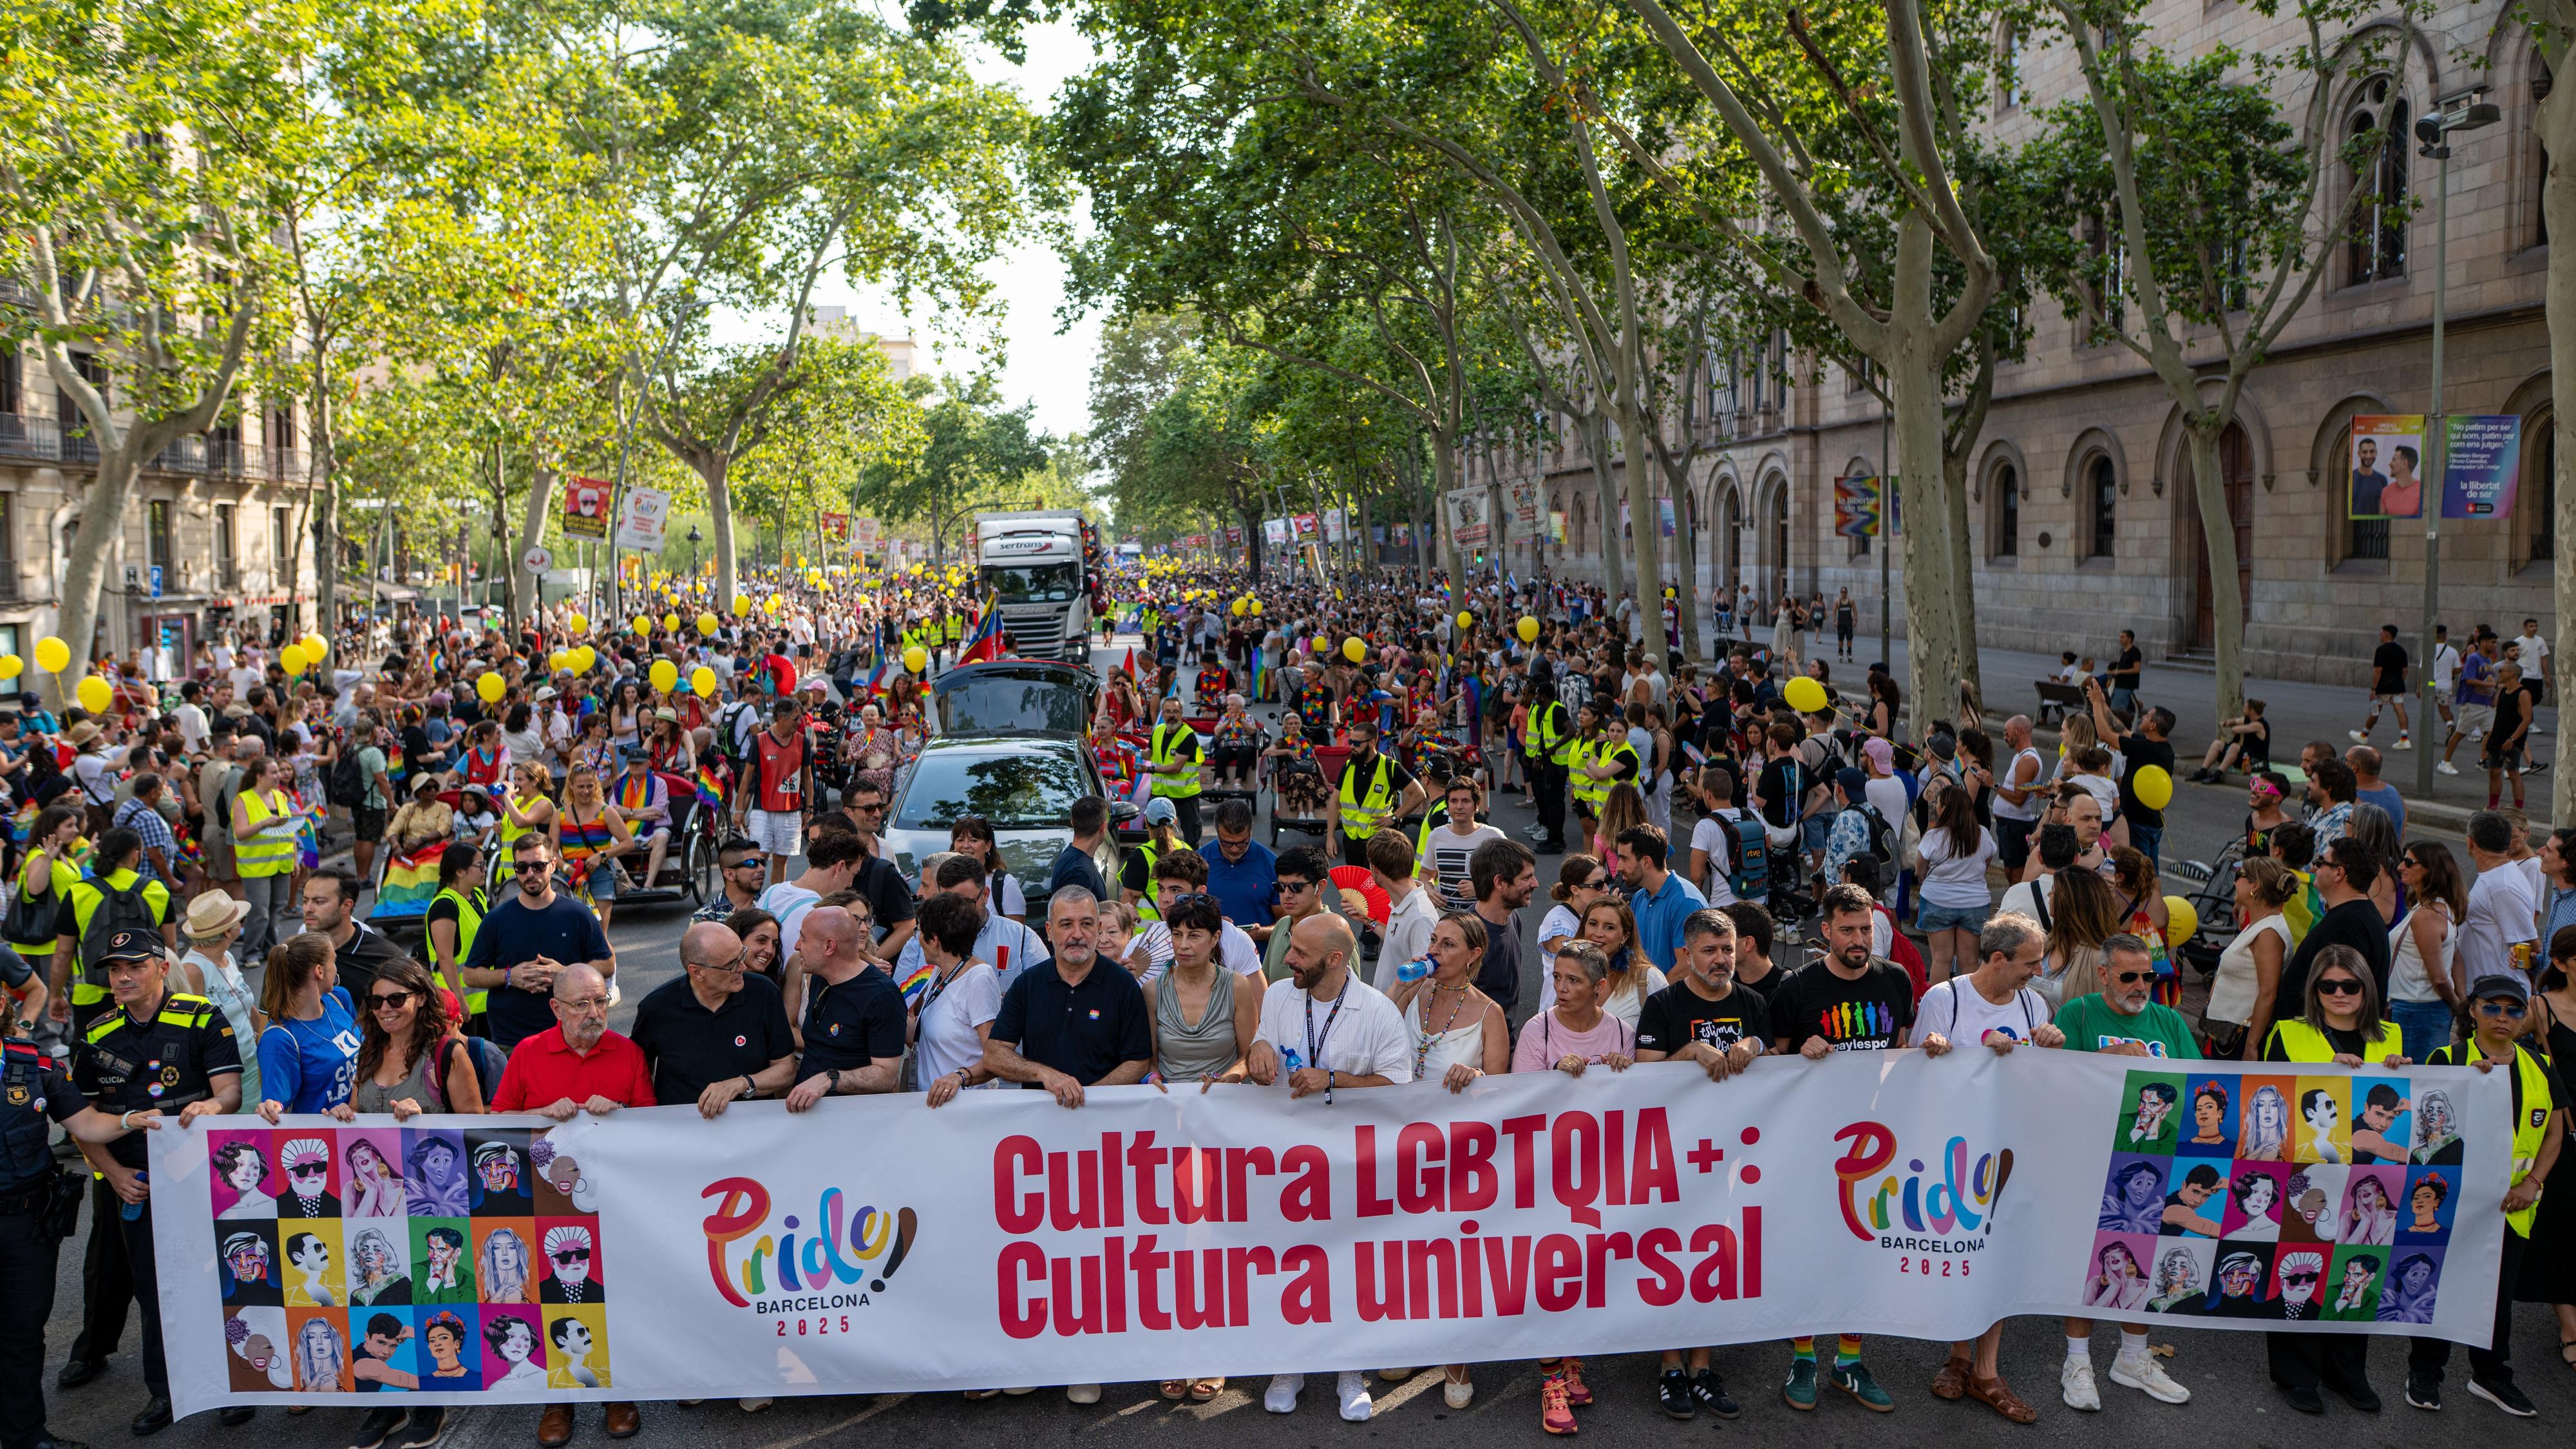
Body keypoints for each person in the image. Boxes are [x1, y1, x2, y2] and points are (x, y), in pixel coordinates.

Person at [972, 888, 1148, 1406]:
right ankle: (1037, 1358)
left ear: (1100, 929)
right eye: (1067, 924)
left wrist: (1089, 1099)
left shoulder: (1121, 987)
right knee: (1040, 1255)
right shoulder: (1029, 984)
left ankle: (1086, 1365)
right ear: (1047, 930)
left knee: (1093, 1258)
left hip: (1102, 1144)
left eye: (1088, 924)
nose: (1077, 933)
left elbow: (1138, 1060)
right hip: (1037, 1145)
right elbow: (998, 1054)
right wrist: (1046, 1075)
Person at [70, 929, 242, 1434]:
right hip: (134, 1183)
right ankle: (166, 1393)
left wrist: (211, 1105)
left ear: (161, 968)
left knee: (216, 1282)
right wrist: (113, 1172)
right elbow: (81, 1120)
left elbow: (229, 1092)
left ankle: (229, 1387)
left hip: (199, 1177)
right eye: (114, 969)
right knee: (152, 1288)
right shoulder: (97, 1034)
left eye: (134, 966)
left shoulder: (200, 1017)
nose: (122, 977)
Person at [1246, 911, 1413, 1422]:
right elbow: (1264, 1040)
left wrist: (1334, 1080)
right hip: (1286, 1160)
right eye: (1289, 948)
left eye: (1299, 952)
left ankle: (1349, 1370)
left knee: (1349, 1267)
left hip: (1351, 1164)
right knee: (1290, 1263)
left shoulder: (1379, 1011)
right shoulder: (1278, 994)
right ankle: (1290, 1365)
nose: (1288, 959)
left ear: (1335, 960)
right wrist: (1256, 1049)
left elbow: (1401, 1089)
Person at [484, 963, 646, 1446]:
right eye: (582, 1005)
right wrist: (537, 1114)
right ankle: (560, 1399)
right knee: (555, 1300)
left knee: (613, 1297)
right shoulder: (529, 1053)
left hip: (614, 1205)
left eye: (601, 1002)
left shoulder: (628, 1052)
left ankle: (617, 1392)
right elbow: (498, 1121)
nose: (594, 1013)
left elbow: (656, 1127)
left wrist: (621, 1115)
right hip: (545, 1205)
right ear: (556, 1008)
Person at [1765, 885, 1911, 1412]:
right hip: (1809, 1147)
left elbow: (1900, 1052)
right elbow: (1768, 1069)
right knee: (1807, 1252)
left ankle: (1848, 1362)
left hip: (1876, 1148)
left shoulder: (1895, 980)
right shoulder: (1795, 988)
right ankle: (1803, 1356)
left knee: (1862, 1252)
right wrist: (1797, 1054)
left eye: (1866, 929)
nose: (1858, 939)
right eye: (1847, 929)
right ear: (1825, 930)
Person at [0, 1012, 171, 1449]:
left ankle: (25, 1436)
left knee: (23, 1333)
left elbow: (87, 1125)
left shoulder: (33, 1063)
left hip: (25, 1223)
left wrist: (130, 1120)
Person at [2407, 972, 2559, 1416]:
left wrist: (2533, 1183)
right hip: (2451, 1201)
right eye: (2492, 1007)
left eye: (2514, 1009)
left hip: (2510, 1207)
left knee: (2497, 1298)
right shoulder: (2447, 1057)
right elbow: (2418, 1122)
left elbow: (2553, 1132)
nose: (2503, 1017)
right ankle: (2425, 1373)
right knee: (2440, 1284)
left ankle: (2491, 1377)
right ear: (2472, 1010)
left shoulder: (2539, 1066)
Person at [1511, 940, 1638, 1433]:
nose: (1560, 989)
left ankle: (1571, 1361)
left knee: (1585, 1275)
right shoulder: (1537, 1030)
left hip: (1598, 1182)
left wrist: (1628, 1077)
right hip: (1545, 1180)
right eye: (1558, 978)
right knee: (1547, 1278)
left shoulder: (1623, 1033)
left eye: (1574, 981)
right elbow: (1519, 1108)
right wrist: (1551, 1079)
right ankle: (1550, 1382)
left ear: (1600, 988)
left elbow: (1632, 1113)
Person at [462, 834, 617, 1053]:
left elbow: (608, 964)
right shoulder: (496, 919)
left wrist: (566, 973)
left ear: (553, 865)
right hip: (511, 1040)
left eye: (538, 866)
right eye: (522, 868)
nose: (530, 874)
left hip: (571, 1035)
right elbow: (470, 974)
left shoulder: (578, 915)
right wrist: (509, 976)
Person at [630, 922, 796, 1118]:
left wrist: (743, 1083)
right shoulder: (657, 1008)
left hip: (751, 1122)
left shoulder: (764, 993)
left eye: (741, 955)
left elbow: (786, 1069)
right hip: (683, 1127)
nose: (742, 967)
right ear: (697, 972)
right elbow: (638, 1071)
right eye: (731, 965)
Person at [48, 828, 177, 1034]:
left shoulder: (79, 892)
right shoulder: (156, 890)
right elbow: (169, 947)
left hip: (91, 995)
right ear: (136, 854)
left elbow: (63, 953)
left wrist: (55, 995)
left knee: (91, 1057)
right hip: (146, 994)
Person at [786, 906, 905, 1104]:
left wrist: (830, 1079)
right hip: (808, 1112)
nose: (797, 946)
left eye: (804, 939)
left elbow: (886, 1075)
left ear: (829, 947)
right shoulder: (819, 977)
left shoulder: (882, 996)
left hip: (851, 1119)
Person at [350, 957, 485, 1119]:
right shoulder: (370, 1049)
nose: (385, 1009)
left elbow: (473, 1125)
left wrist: (422, 1122)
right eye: (377, 1001)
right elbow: (355, 1109)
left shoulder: (448, 1053)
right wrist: (345, 1114)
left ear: (421, 999)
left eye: (396, 999)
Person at [253, 932, 358, 1121]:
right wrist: (271, 1107)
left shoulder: (339, 999)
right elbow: (277, 1107)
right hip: (323, 1141)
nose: (336, 968)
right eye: (333, 961)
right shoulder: (279, 1039)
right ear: (319, 971)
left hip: (365, 1123)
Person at [2206, 857, 2299, 1059]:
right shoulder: (2261, 923)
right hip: (2228, 1029)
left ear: (2255, 886)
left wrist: (2251, 1045)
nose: (2234, 881)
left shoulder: (2268, 934)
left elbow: (2268, 993)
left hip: (2241, 1035)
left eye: (2239, 876)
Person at [2281, 837, 2389, 1009]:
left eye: (2321, 861)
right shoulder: (2355, 914)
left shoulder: (2348, 925)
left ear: (2339, 873)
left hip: (2318, 1033)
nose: (2315, 867)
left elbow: (2341, 998)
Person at [229, 753, 305, 963]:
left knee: (276, 908)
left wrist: (295, 859)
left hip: (281, 863)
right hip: (256, 867)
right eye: (274, 772)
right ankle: (251, 953)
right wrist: (263, 823)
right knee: (260, 912)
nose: (279, 776)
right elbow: (241, 832)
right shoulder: (243, 799)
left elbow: (289, 830)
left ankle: (270, 950)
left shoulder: (280, 796)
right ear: (260, 776)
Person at [301, 866, 409, 1008]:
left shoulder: (386, 957)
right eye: (304, 901)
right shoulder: (294, 955)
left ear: (346, 906)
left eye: (319, 902)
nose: (308, 909)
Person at [1324, 719, 1423, 869]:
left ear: (1371, 743)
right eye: (1351, 741)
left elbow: (1419, 793)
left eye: (1357, 743)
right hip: (1351, 840)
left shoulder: (1390, 767)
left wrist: (1395, 817)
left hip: (1379, 841)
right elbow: (1335, 803)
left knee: (1374, 889)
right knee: (1355, 888)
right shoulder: (1348, 766)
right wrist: (1330, 836)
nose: (1351, 746)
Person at [735, 697, 813, 884]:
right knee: (758, 859)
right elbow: (747, 778)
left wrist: (809, 808)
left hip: (791, 811)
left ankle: (775, 901)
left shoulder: (803, 742)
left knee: (781, 860)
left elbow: (807, 777)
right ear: (781, 717)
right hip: (763, 810)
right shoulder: (760, 741)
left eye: (800, 718)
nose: (799, 723)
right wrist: (739, 810)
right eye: (795, 718)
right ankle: (753, 901)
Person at [2459, 809, 2538, 985]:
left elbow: (2529, 945)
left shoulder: (2503, 887)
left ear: (2470, 842)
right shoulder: (2495, 877)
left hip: (2499, 997)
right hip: (2486, 992)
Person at [1469, 837, 1537, 1015]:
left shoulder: (1513, 917)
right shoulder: (1463, 934)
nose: (1535, 884)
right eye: (1527, 878)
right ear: (1500, 882)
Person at [1146, 694, 1208, 846]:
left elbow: (1177, 768)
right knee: (1157, 836)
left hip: (1185, 796)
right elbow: (1149, 753)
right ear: (1163, 713)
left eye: (1175, 712)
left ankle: (1193, 865)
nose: (1171, 715)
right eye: (1168, 712)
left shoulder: (1187, 735)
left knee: (1191, 836)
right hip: (1161, 793)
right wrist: (1133, 751)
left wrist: (1150, 770)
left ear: (1181, 714)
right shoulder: (1159, 730)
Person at [2350, 624, 2412, 750]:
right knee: (2400, 709)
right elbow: (2405, 670)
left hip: (2383, 687)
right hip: (2397, 686)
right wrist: (2400, 682)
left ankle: (2364, 734)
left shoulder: (2381, 650)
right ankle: (2404, 738)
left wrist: (2374, 689)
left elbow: (2378, 670)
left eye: (2381, 633)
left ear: (2387, 635)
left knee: (2375, 710)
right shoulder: (2401, 651)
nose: (2380, 635)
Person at [1046, 795, 1113, 904]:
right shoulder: (1079, 872)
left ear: (1072, 823)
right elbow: (1078, 918)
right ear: (1103, 827)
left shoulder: (1074, 860)